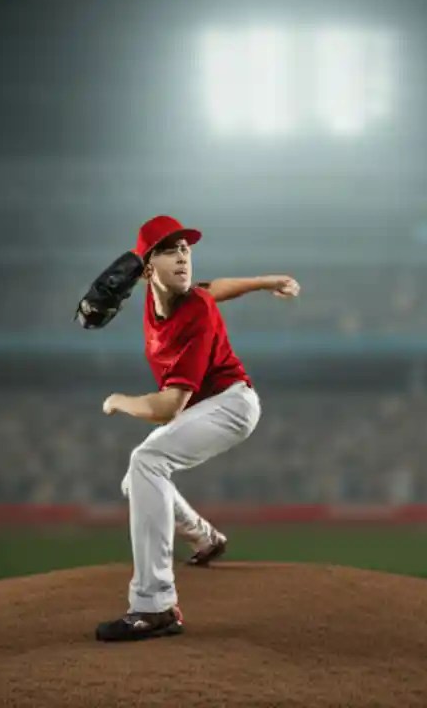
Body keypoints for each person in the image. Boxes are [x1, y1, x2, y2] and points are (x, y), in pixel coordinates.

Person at [83, 215, 299, 642]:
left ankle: (155, 605)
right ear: (147, 271)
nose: (183, 254)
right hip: (206, 404)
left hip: (232, 404)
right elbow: (215, 288)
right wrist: (263, 280)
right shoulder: (161, 299)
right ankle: (204, 538)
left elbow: (168, 406)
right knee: (136, 481)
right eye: (170, 248)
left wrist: (118, 402)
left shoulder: (195, 311)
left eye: (186, 248)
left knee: (147, 460)